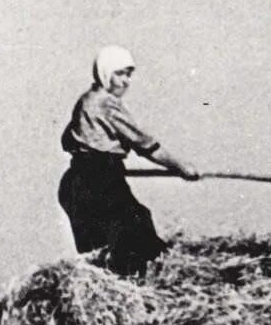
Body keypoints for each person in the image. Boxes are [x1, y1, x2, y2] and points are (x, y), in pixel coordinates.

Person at [58, 45, 201, 276]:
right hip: (98, 180)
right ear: (105, 73)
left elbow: (69, 139)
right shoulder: (105, 103)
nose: (126, 81)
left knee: (102, 248)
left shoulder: (86, 101)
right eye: (119, 74)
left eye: (129, 74)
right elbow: (145, 145)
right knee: (135, 228)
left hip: (78, 183)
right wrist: (182, 166)